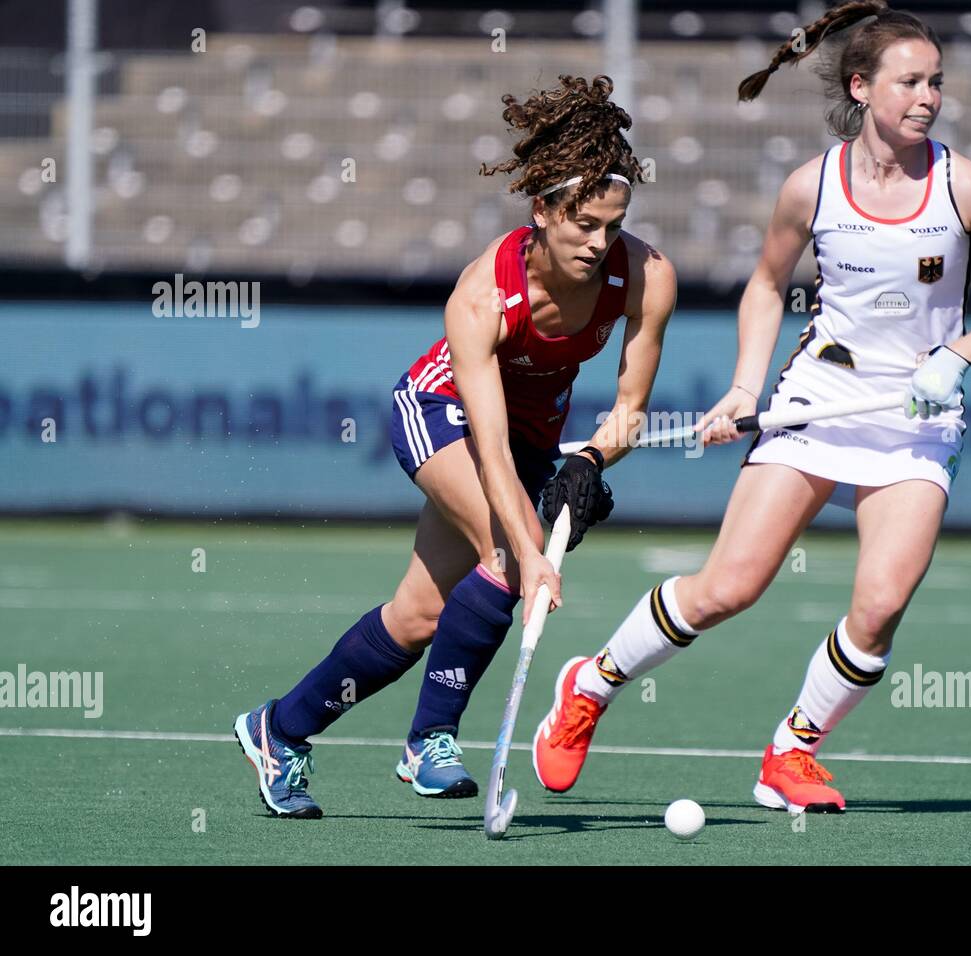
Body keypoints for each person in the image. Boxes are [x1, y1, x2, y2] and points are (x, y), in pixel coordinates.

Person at [531, 1, 971, 812]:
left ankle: (793, 749)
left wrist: (957, 356)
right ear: (862, 86)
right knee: (729, 587)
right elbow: (768, 285)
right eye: (910, 81)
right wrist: (747, 385)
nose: (928, 97)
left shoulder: (965, 185)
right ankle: (592, 685)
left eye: (937, 82)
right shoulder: (812, 185)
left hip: (917, 417)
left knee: (879, 609)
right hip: (817, 396)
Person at [233, 75, 677, 818]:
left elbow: (629, 412)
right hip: (439, 413)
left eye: (614, 224)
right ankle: (429, 740)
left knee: (416, 619)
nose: (601, 244)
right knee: (508, 557)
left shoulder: (646, 276)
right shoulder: (481, 297)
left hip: (532, 435)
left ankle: (280, 729)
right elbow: (490, 445)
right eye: (585, 226)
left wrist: (593, 460)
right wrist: (531, 552)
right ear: (542, 211)